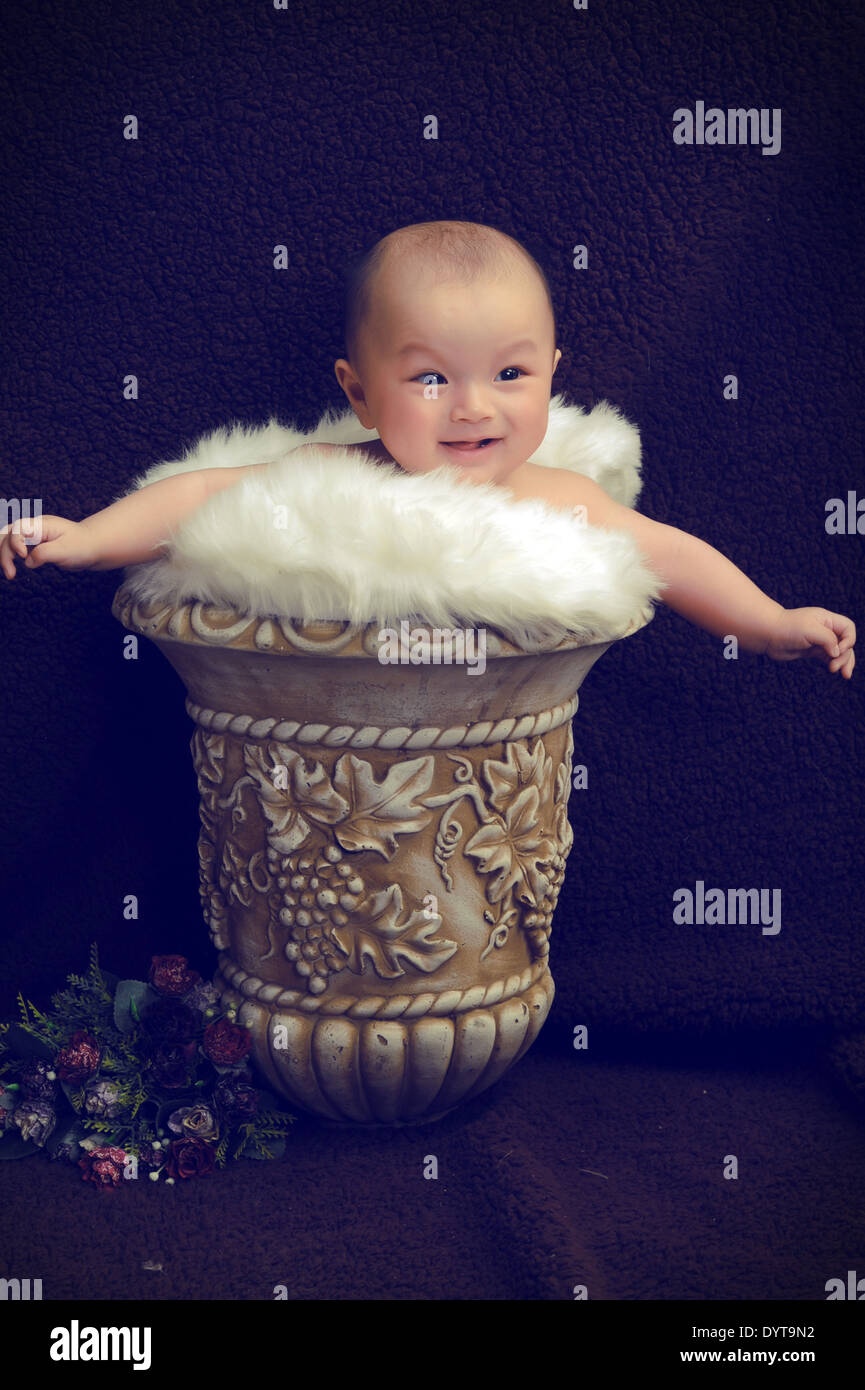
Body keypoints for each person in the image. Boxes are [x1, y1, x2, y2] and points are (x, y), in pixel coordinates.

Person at [0, 219, 855, 675]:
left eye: (510, 372)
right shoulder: (333, 477)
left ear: (553, 374)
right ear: (359, 394)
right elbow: (199, 496)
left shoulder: (560, 498)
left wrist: (769, 623)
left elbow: (675, 557)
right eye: (430, 379)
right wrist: (85, 539)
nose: (473, 408)